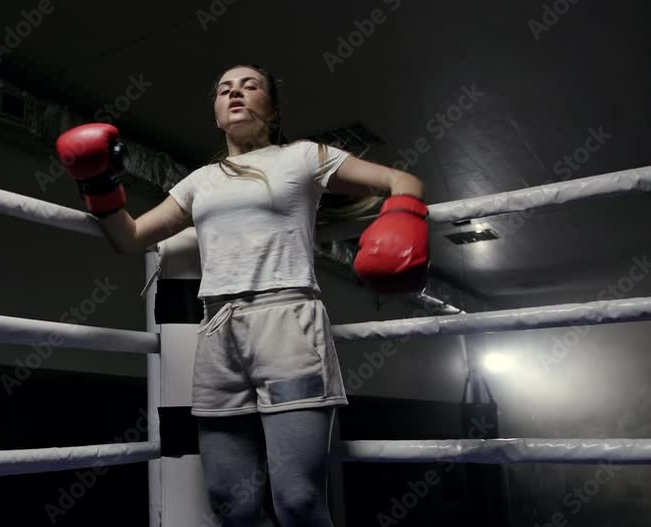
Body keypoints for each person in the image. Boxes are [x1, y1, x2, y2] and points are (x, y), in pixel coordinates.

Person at [56, 64, 428, 526]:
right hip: (216, 329)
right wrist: (97, 183)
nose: (235, 93)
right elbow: (130, 238)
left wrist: (403, 217)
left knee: (298, 500)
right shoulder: (199, 181)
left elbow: (402, 181)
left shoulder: (305, 156)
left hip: (287, 321)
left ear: (270, 110)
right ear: (215, 114)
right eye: (224, 90)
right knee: (230, 502)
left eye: (250, 86)